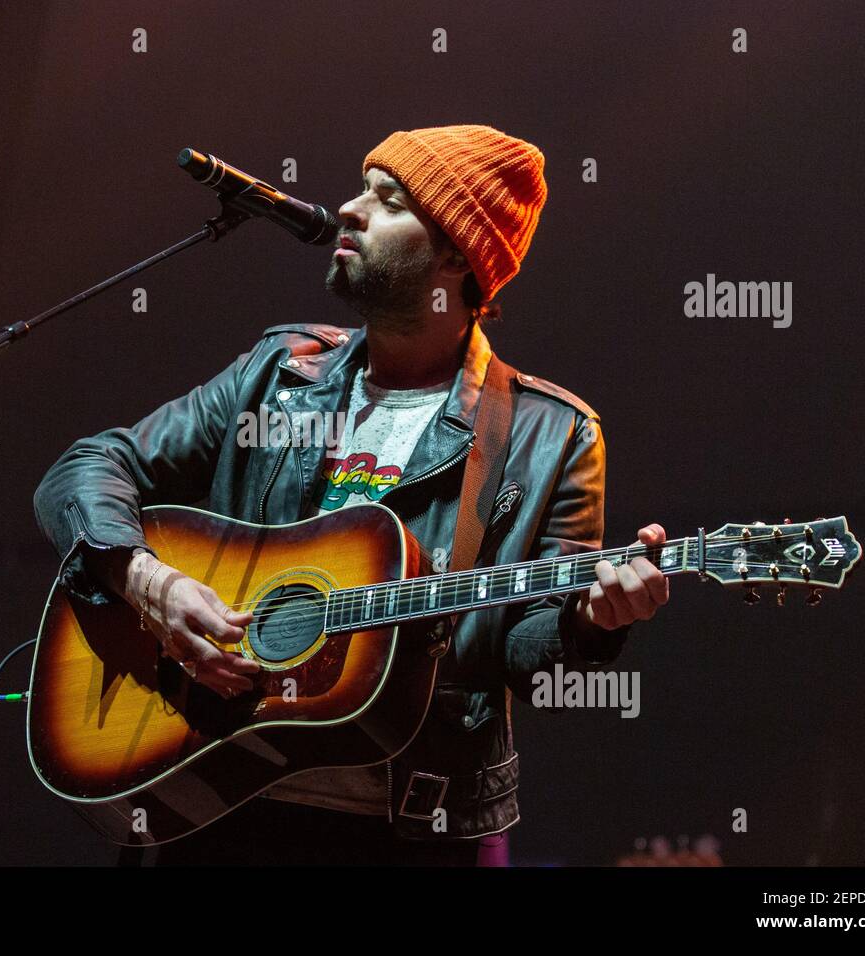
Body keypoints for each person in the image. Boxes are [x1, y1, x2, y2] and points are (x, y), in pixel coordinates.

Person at [33, 124, 670, 866]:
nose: (349, 210)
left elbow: (528, 656)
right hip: (211, 790)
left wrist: (592, 619)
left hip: (407, 831)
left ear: (457, 253)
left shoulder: (549, 433)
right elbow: (87, 468)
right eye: (362, 190)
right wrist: (149, 582)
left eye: (388, 200)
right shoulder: (278, 373)